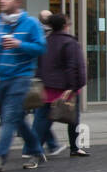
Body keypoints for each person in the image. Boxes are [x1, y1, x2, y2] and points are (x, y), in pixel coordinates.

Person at [0, 0, 46, 172]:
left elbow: (41, 48)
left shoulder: (31, 24)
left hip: (21, 77)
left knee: (9, 117)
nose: (3, 1)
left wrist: (20, 44)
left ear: (17, 2)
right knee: (17, 118)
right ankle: (36, 149)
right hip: (0, 79)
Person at [31, 12, 89, 158]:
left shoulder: (45, 41)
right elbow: (74, 66)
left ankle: (36, 149)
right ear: (65, 26)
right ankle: (74, 148)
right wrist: (75, 86)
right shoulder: (70, 43)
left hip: (47, 86)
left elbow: (39, 65)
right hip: (65, 88)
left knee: (44, 119)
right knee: (73, 118)